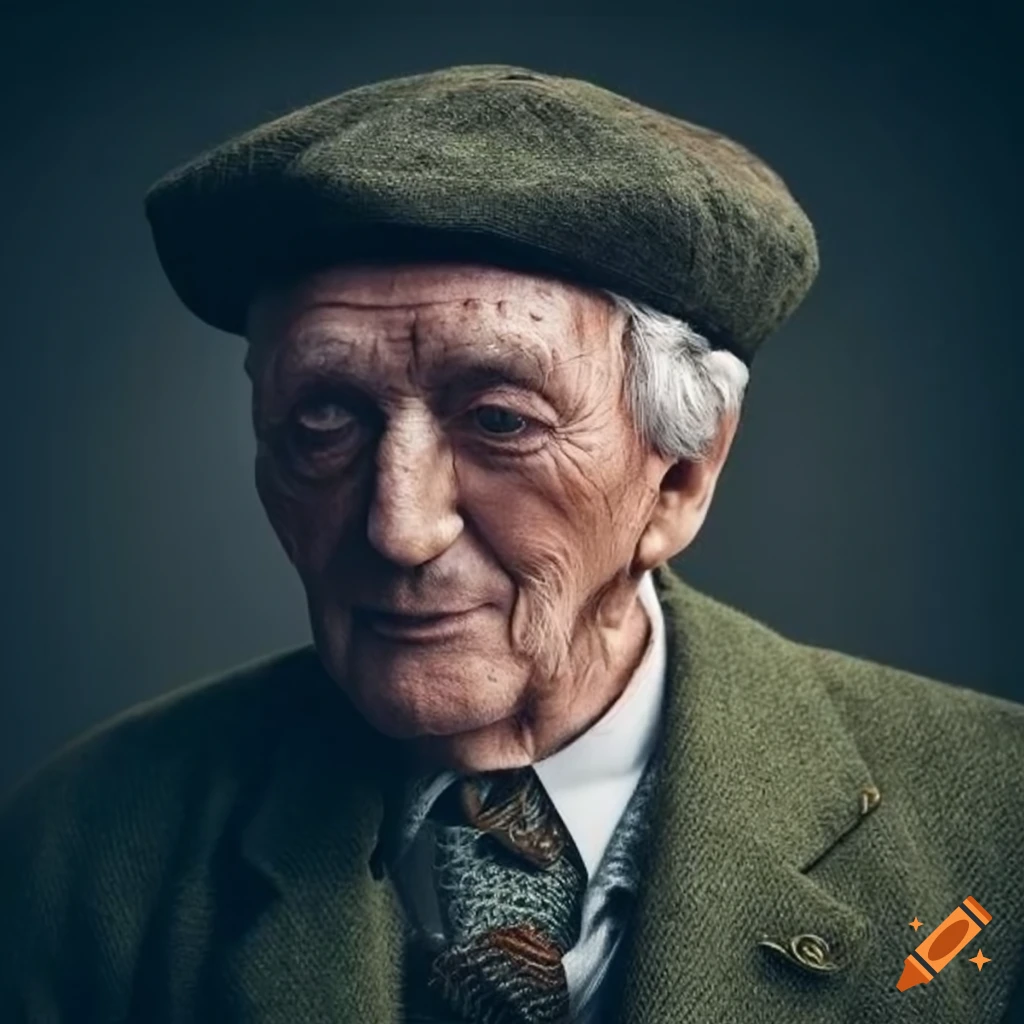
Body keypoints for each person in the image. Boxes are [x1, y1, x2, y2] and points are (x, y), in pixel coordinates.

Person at [1, 63, 1022, 1024]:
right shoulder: (79, 849)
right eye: (324, 421)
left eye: (499, 421)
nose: (399, 528)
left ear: (681, 474)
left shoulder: (996, 818)